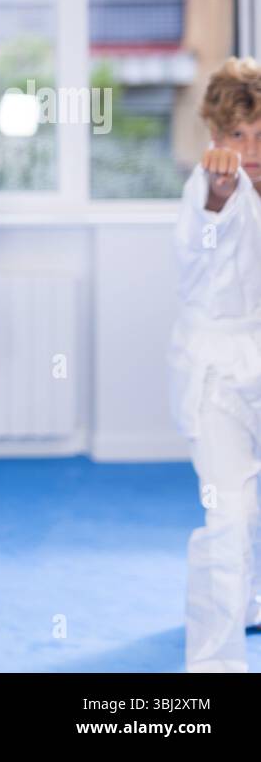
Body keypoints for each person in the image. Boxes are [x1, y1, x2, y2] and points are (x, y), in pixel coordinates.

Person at [169, 56, 261, 672]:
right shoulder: (210, 187)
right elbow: (194, 262)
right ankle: (214, 670)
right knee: (228, 516)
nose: (247, 149)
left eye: (257, 133)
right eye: (235, 136)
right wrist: (217, 197)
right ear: (214, 137)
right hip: (220, 376)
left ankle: (250, 597)